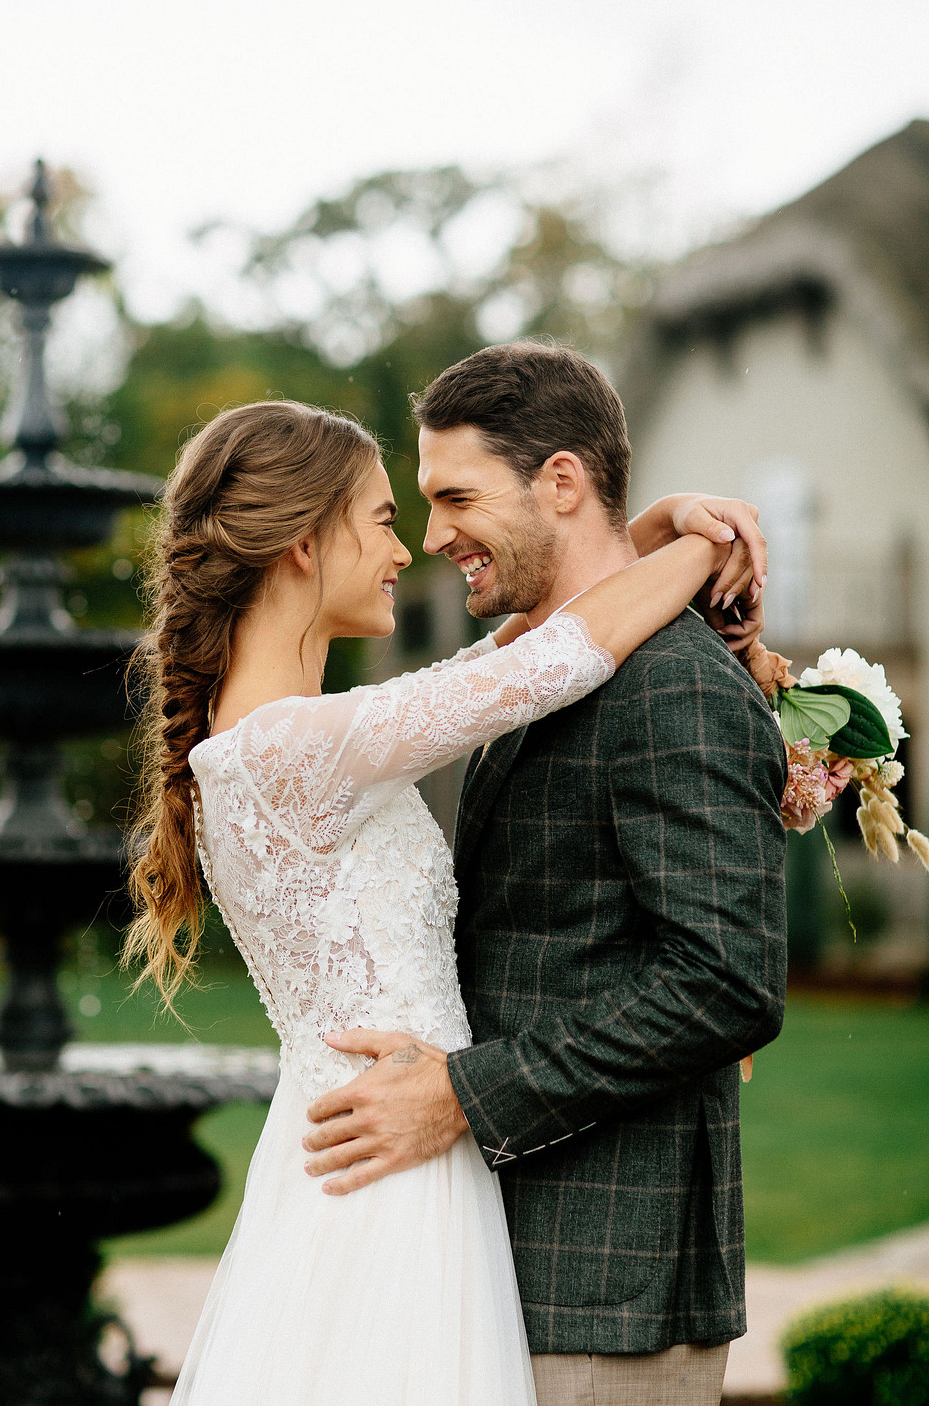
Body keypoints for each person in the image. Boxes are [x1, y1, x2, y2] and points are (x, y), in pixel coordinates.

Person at [124, 394, 771, 1406]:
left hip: (389, 1152)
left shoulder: (300, 736)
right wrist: (706, 545)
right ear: (300, 542)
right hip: (391, 1181)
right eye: (383, 519)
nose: (406, 550)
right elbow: (551, 662)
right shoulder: (290, 751)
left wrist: (642, 534)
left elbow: (505, 659)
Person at [302, 343, 788, 1406]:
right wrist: (667, 532)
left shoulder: (673, 686)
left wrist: (460, 1098)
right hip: (501, 1270)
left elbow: (725, 981)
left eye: (456, 496)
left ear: (560, 482)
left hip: (608, 1293)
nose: (434, 538)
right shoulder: (543, 670)